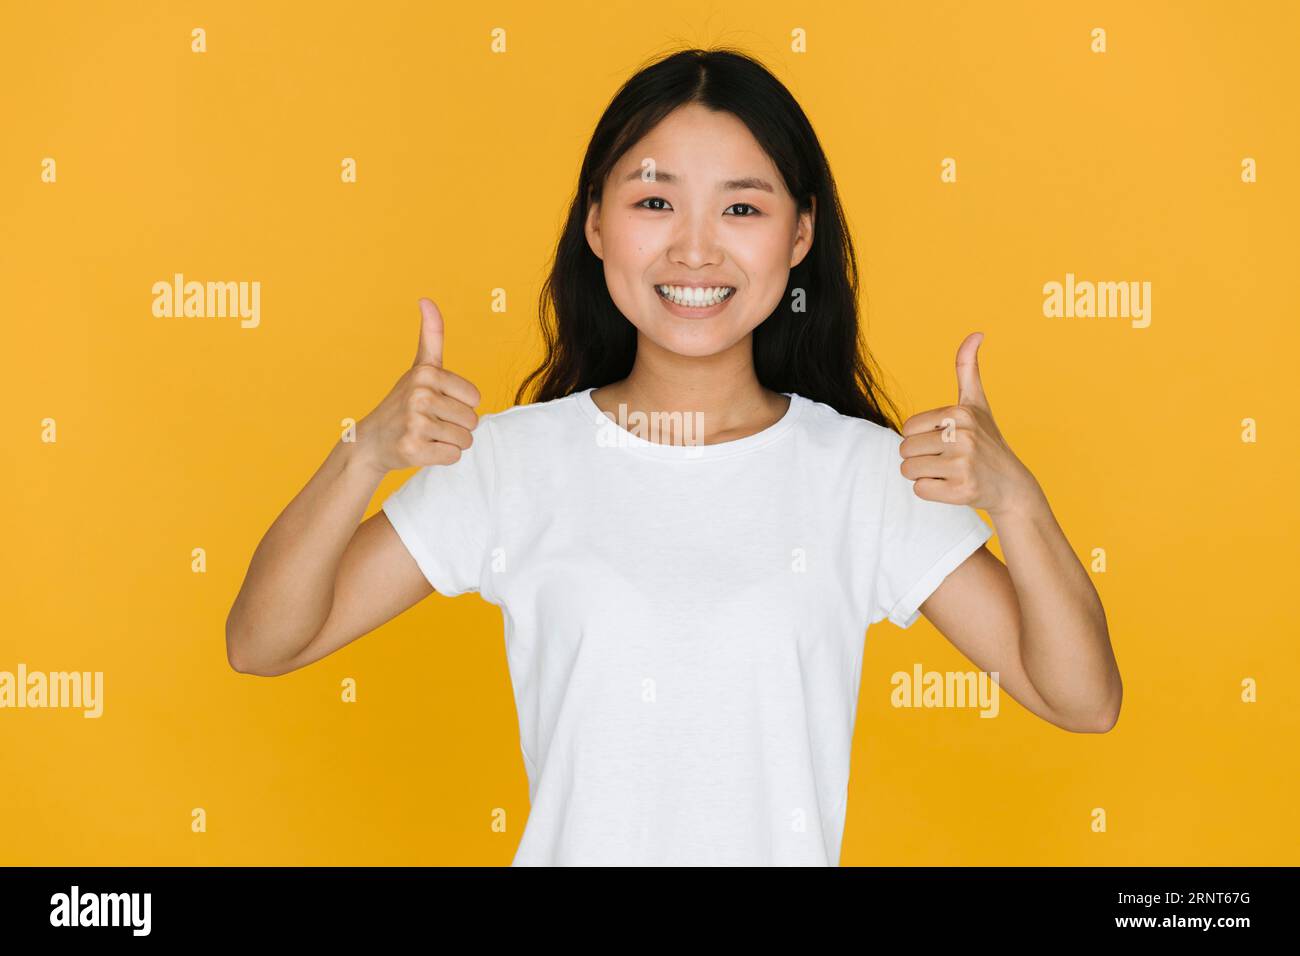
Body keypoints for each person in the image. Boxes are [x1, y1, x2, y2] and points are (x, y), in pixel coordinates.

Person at [225, 48, 1122, 866]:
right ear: (597, 226)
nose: (695, 248)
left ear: (799, 237)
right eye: (654, 202)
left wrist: (1019, 504)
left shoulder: (860, 475)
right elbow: (263, 642)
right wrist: (363, 455)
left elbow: (1082, 701)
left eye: (742, 207)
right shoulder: (511, 464)